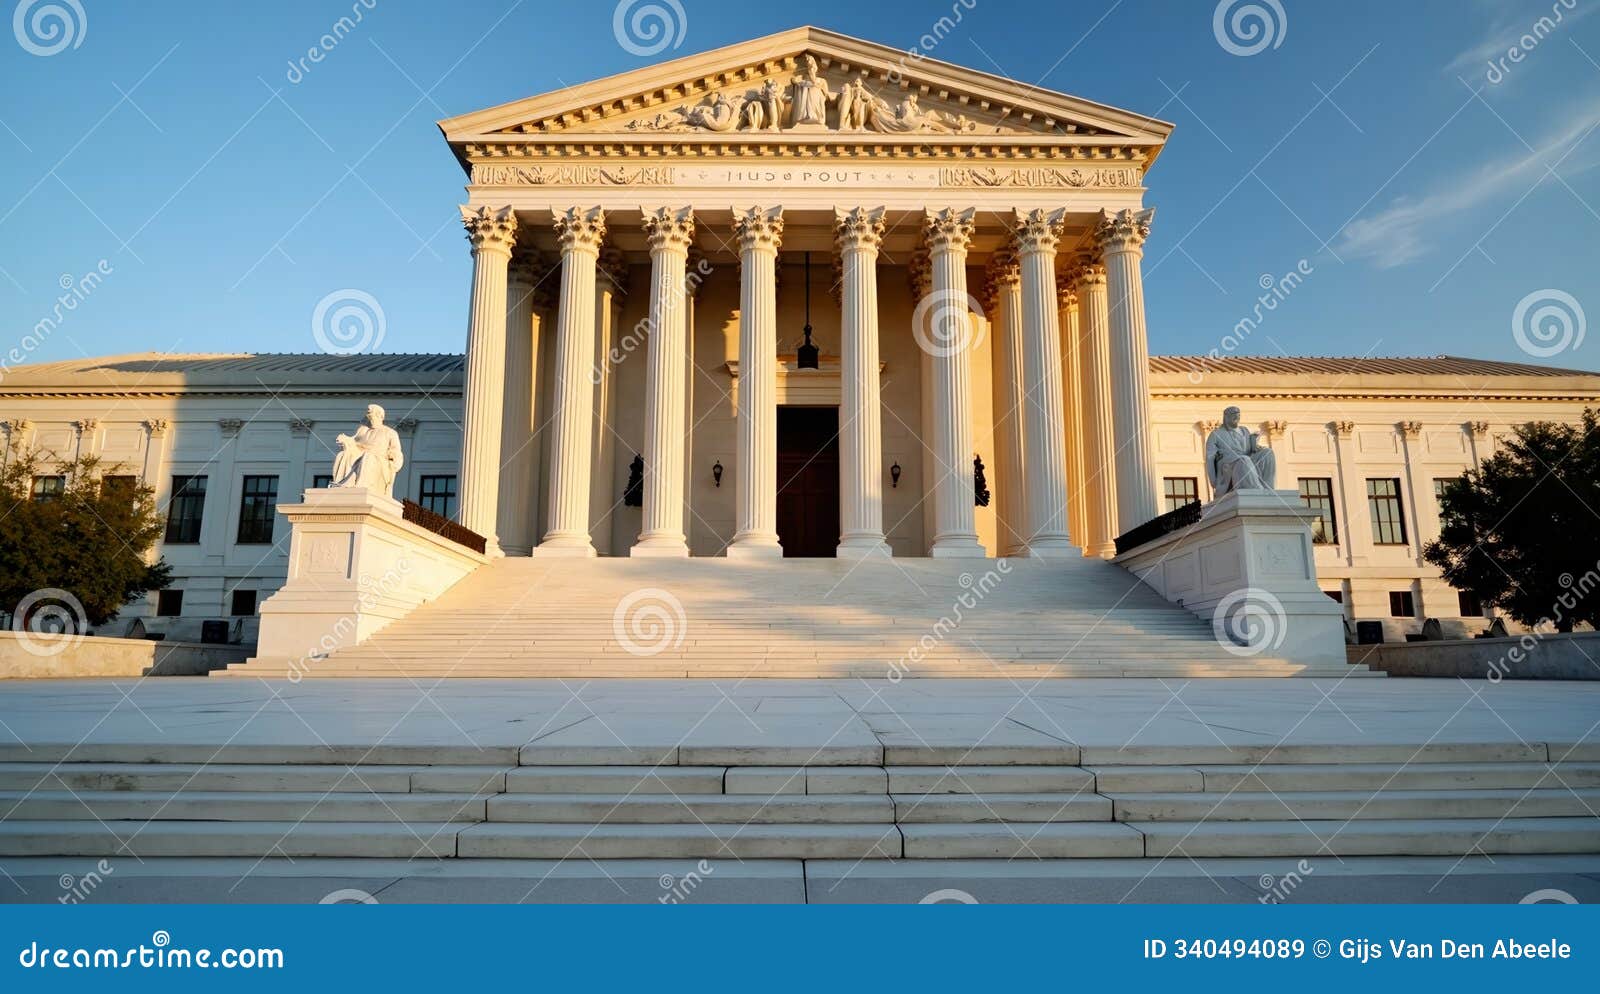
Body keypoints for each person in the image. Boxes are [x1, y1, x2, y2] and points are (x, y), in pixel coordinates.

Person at [331, 403, 404, 498]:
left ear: (380, 416)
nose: (369, 417)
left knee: (368, 456)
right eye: (368, 415)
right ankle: (343, 484)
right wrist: (345, 440)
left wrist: (392, 461)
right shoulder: (363, 430)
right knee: (342, 454)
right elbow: (353, 443)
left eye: (371, 414)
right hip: (360, 457)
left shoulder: (390, 432)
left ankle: (360, 486)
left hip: (379, 462)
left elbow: (397, 454)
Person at [1204, 406, 1276, 495]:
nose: (1236, 418)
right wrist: (1214, 481)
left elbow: (1249, 449)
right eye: (1233, 416)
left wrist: (1255, 445)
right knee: (1244, 459)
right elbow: (1210, 458)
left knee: (1268, 453)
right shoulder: (1216, 434)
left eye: (1238, 416)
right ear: (1226, 417)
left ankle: (1268, 489)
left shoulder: (1244, 430)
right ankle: (1256, 490)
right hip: (1228, 465)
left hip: (1246, 459)